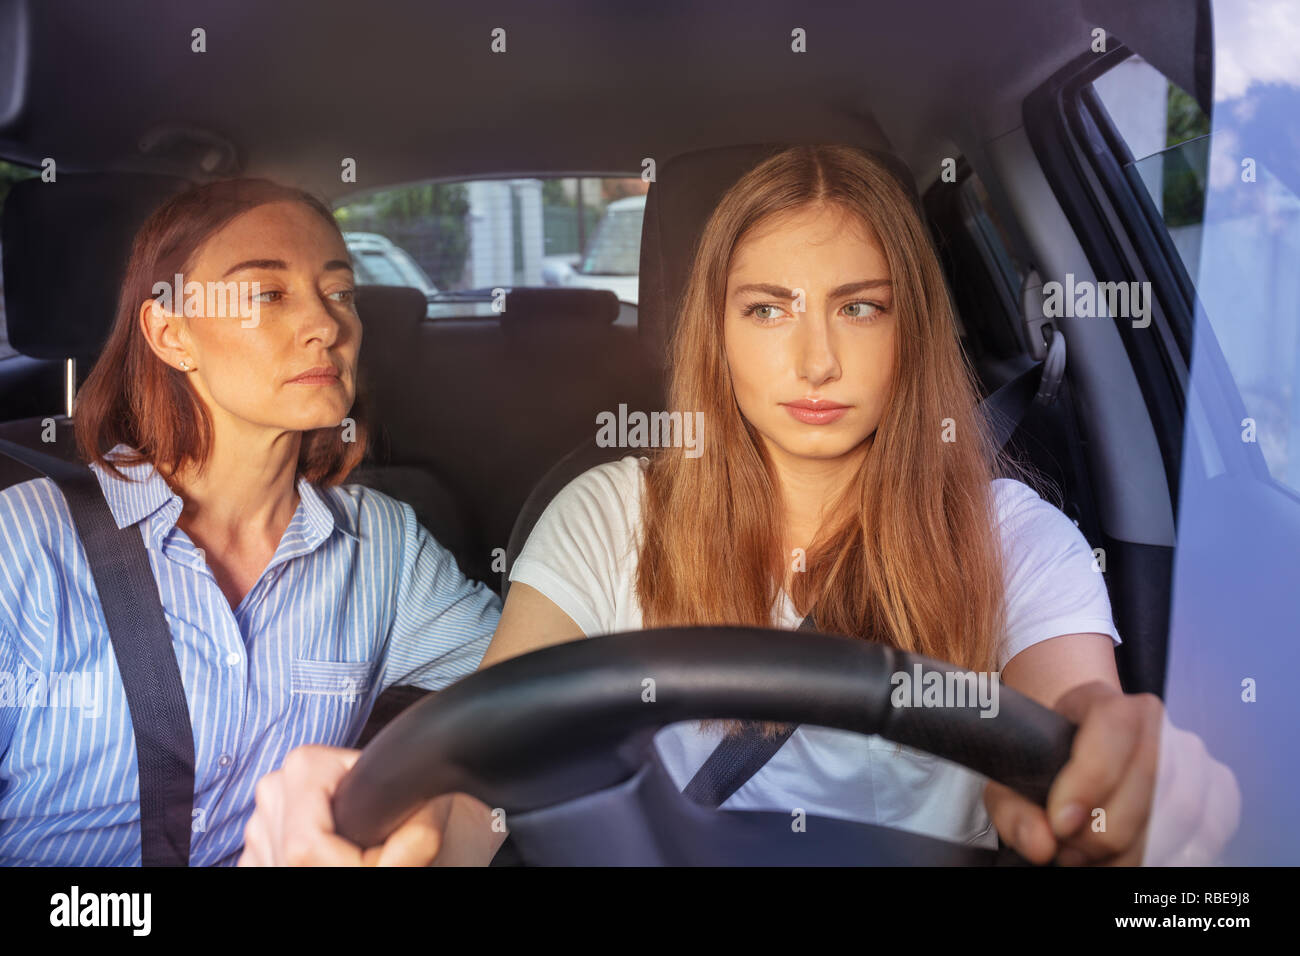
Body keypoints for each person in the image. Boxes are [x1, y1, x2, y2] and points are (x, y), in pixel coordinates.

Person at [241, 146, 1238, 867]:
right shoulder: (606, 511)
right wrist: (392, 833)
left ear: (913, 329)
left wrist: (1126, 781)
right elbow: (486, 777)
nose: (814, 360)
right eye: (767, 309)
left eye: (859, 306)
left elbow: (1079, 716)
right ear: (713, 335)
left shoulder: (1019, 538)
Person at [0, 179, 501, 865]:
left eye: (341, 293)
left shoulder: (383, 546)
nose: (328, 324)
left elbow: (525, 694)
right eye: (267, 294)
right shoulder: (19, 545)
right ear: (172, 333)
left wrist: (448, 806)